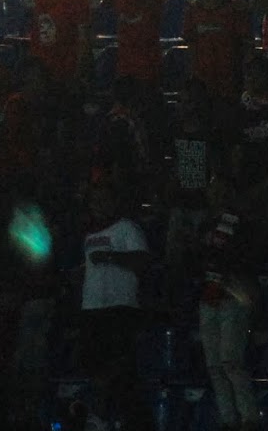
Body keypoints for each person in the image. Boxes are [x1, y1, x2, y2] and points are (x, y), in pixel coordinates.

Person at [78, 183, 153, 431]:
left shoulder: (126, 227)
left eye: (104, 199)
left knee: (121, 368)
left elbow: (142, 261)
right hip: (92, 308)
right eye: (94, 200)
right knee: (94, 364)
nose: (99, 205)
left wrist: (111, 257)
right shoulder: (88, 234)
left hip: (119, 307)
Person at [197, 170, 264, 431]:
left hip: (232, 294)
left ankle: (249, 418)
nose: (217, 195)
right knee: (214, 364)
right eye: (213, 190)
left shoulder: (241, 224)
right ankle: (228, 420)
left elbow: (245, 259)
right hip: (209, 295)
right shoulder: (206, 224)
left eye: (222, 190)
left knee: (230, 360)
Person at [183, 0, 251, 105]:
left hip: (229, 82)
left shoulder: (233, 10)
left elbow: (244, 44)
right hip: (201, 82)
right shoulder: (192, 11)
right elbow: (191, 45)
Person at [27, 0, 92, 93]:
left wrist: (77, 74)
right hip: (39, 72)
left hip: (64, 73)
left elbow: (83, 41)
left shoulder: (76, 0)